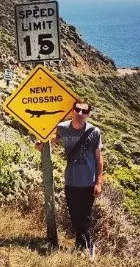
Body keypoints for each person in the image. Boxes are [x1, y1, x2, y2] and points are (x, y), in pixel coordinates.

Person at [36, 99, 103, 259]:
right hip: (71, 181)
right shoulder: (63, 128)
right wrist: (40, 143)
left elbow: (99, 158)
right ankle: (82, 247)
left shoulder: (94, 131)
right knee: (74, 216)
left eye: (84, 111)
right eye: (77, 109)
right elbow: (50, 138)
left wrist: (99, 182)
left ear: (88, 115)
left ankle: (88, 248)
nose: (80, 113)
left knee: (84, 217)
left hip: (88, 182)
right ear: (72, 110)